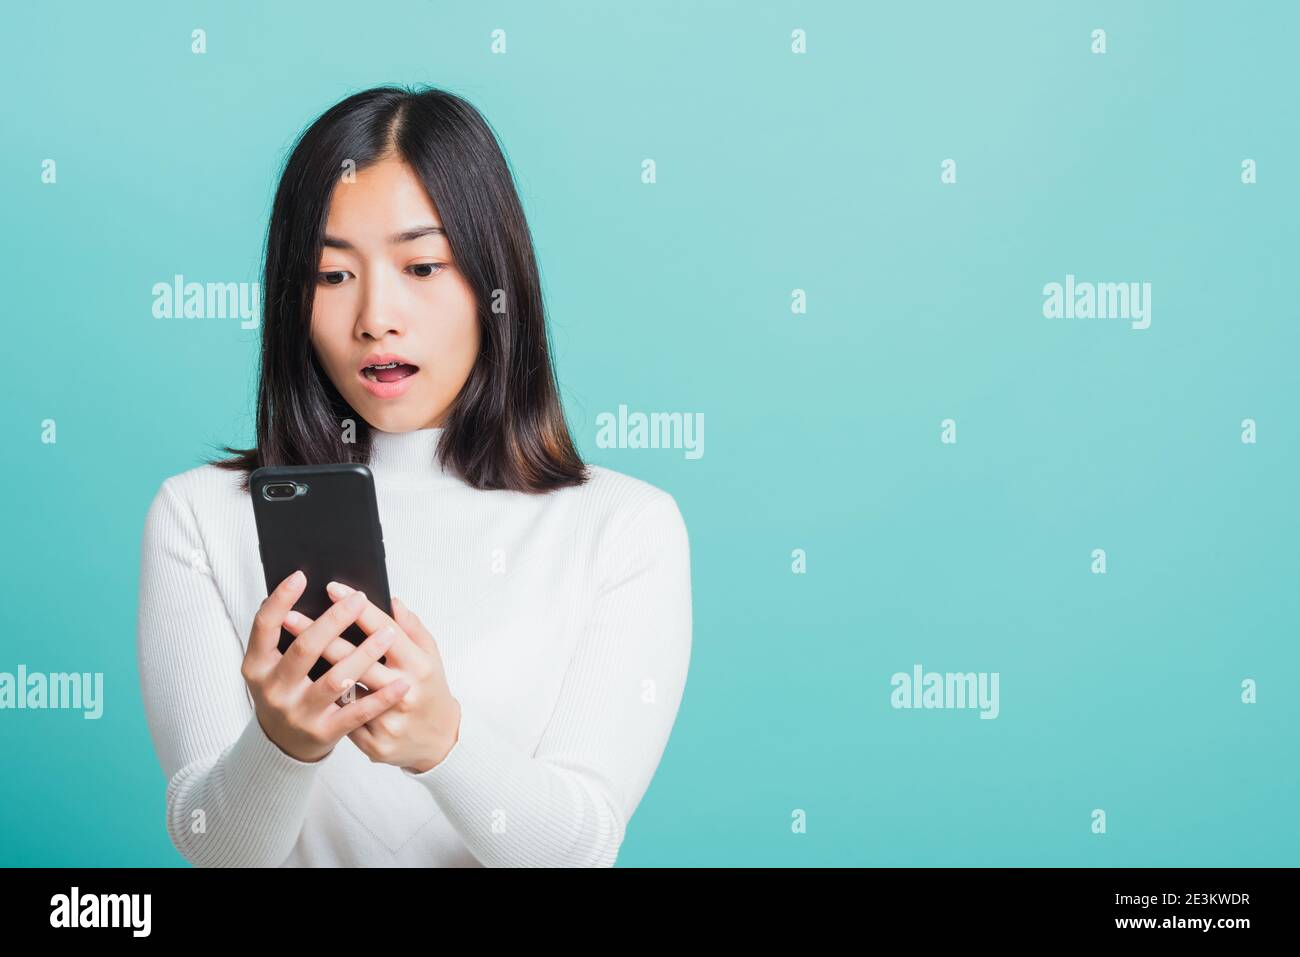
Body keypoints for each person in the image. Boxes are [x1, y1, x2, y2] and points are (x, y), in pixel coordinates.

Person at [135, 85, 692, 867]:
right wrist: (281, 743)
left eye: (422, 265)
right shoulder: (197, 517)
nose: (375, 317)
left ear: (494, 283)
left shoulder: (625, 527)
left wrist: (443, 744)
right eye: (332, 276)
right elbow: (214, 849)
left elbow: (580, 848)